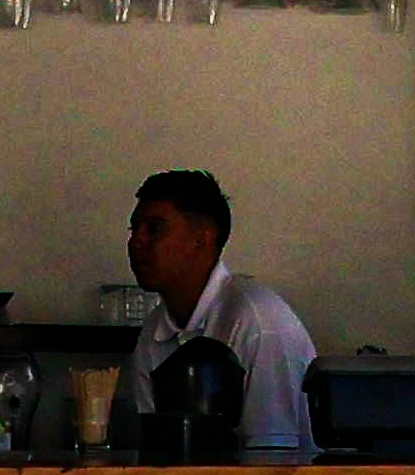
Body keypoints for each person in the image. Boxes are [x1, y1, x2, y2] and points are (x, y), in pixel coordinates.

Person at [114, 168, 316, 458]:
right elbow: (157, 451)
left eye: (154, 228)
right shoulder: (154, 332)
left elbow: (272, 464)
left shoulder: (257, 321)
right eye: (134, 229)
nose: (136, 242)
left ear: (203, 239)